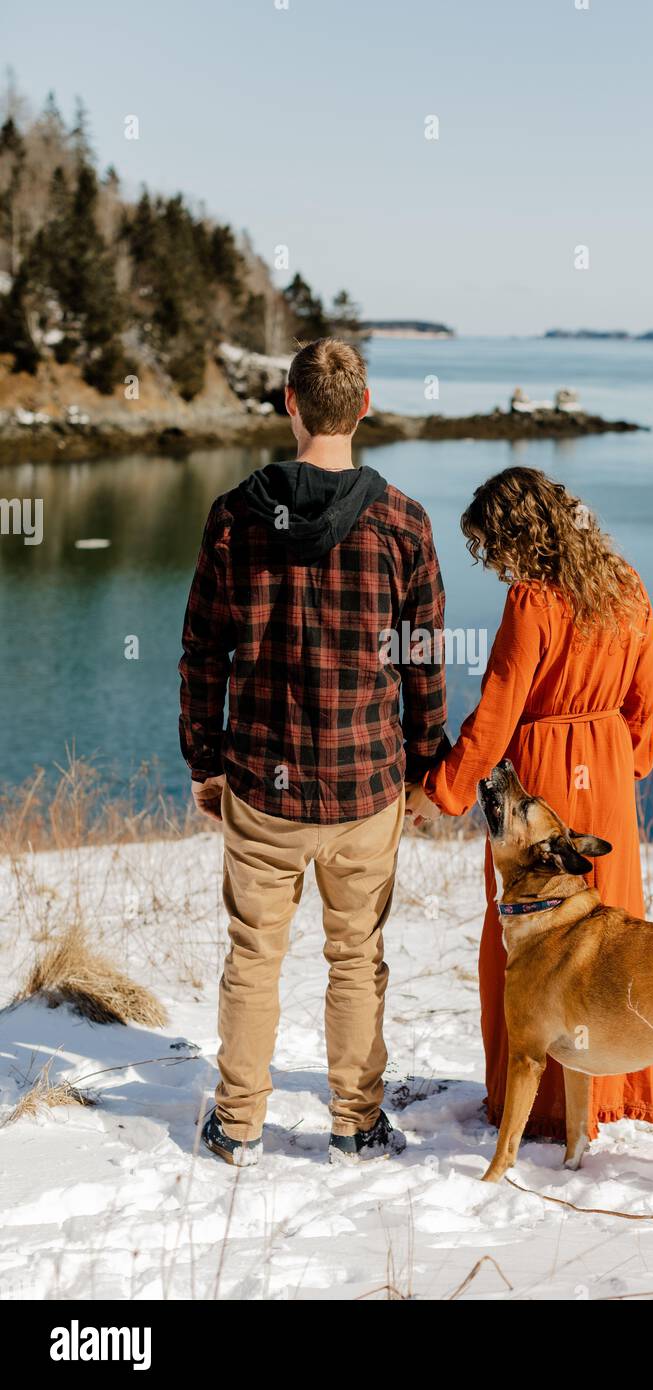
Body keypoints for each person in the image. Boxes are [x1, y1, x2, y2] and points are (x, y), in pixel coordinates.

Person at [180, 338, 449, 1166]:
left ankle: (238, 1125)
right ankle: (355, 1123)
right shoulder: (404, 522)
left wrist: (204, 762)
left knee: (253, 956)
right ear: (363, 407)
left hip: (261, 784)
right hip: (366, 785)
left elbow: (203, 654)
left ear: (290, 403)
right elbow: (423, 662)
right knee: (357, 956)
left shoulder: (234, 515)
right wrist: (425, 763)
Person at [406, 467, 653, 1146]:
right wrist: (626, 763)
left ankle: (537, 1102)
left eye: (492, 546)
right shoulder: (626, 585)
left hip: (543, 775)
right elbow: (643, 703)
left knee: (530, 938)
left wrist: (444, 789)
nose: (493, 561)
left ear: (517, 536)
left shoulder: (533, 600)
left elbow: (497, 712)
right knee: (612, 938)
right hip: (607, 772)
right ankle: (608, 1091)